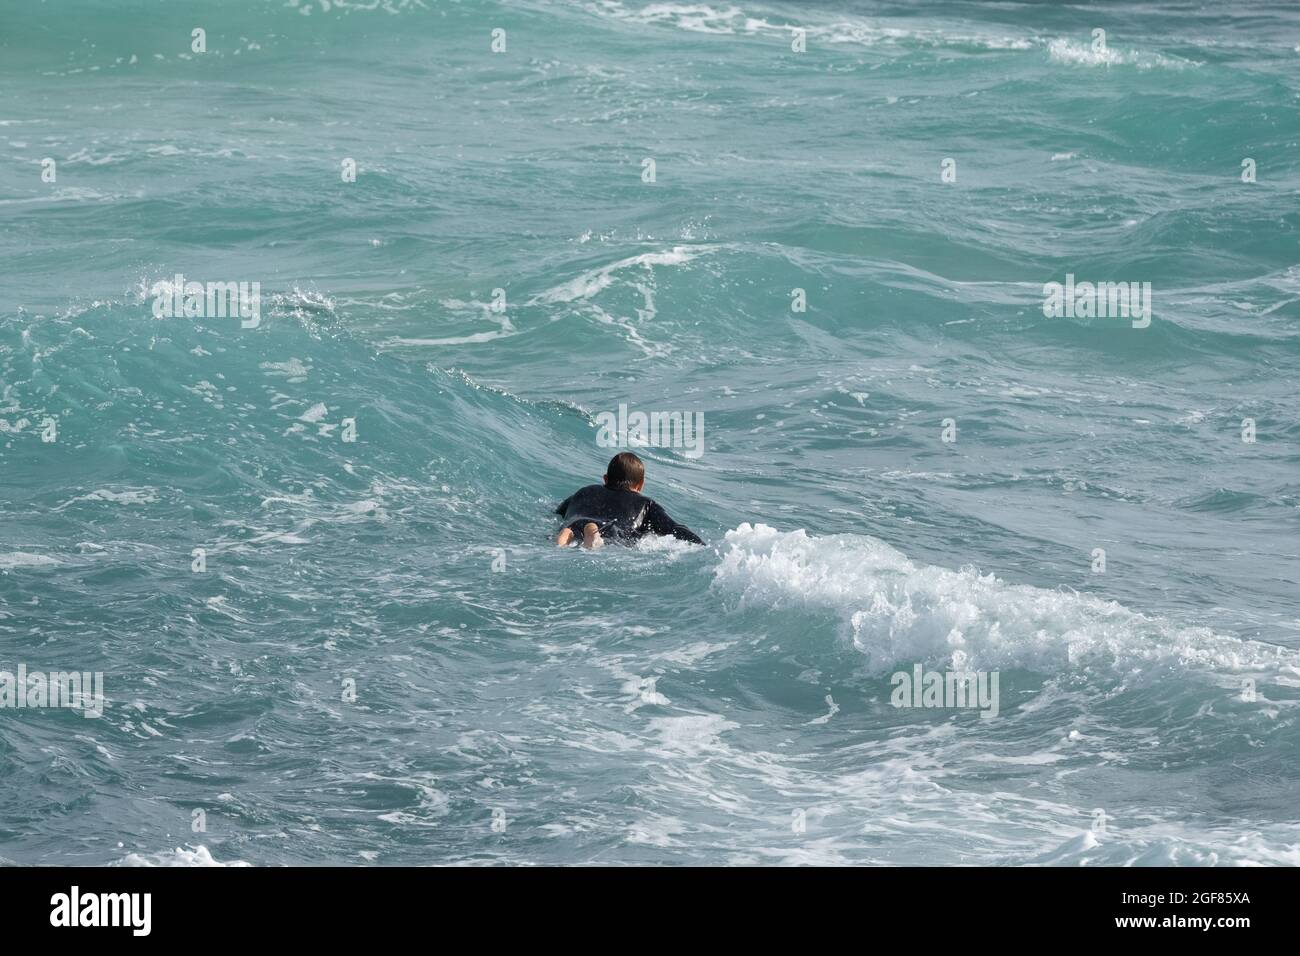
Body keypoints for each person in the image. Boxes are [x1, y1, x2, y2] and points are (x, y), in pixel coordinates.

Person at [554, 452, 704, 548]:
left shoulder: (584, 491)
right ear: (640, 485)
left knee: (573, 528)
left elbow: (559, 511)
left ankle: (567, 535)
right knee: (602, 539)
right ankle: (592, 534)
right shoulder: (645, 504)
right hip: (612, 532)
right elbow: (674, 529)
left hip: (576, 521)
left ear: (605, 479)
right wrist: (701, 545)